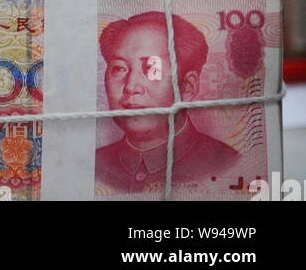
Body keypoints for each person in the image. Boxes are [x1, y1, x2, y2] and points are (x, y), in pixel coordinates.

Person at [95, 11, 239, 192]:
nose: (131, 87)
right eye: (119, 68)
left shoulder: (228, 163)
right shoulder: (93, 166)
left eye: (151, 68)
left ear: (188, 86)